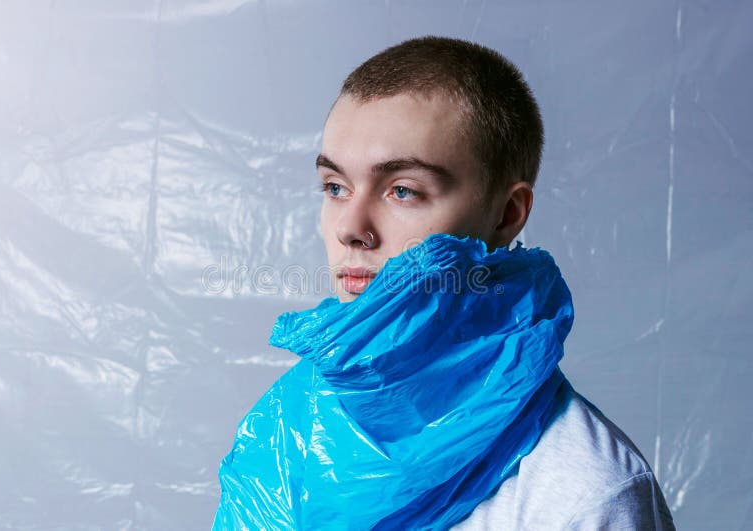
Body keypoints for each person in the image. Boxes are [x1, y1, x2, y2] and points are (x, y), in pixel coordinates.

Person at [212, 36, 676, 530]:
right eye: (335, 187)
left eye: (403, 191)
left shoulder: (585, 492)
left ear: (506, 214)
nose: (350, 227)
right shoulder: (284, 430)